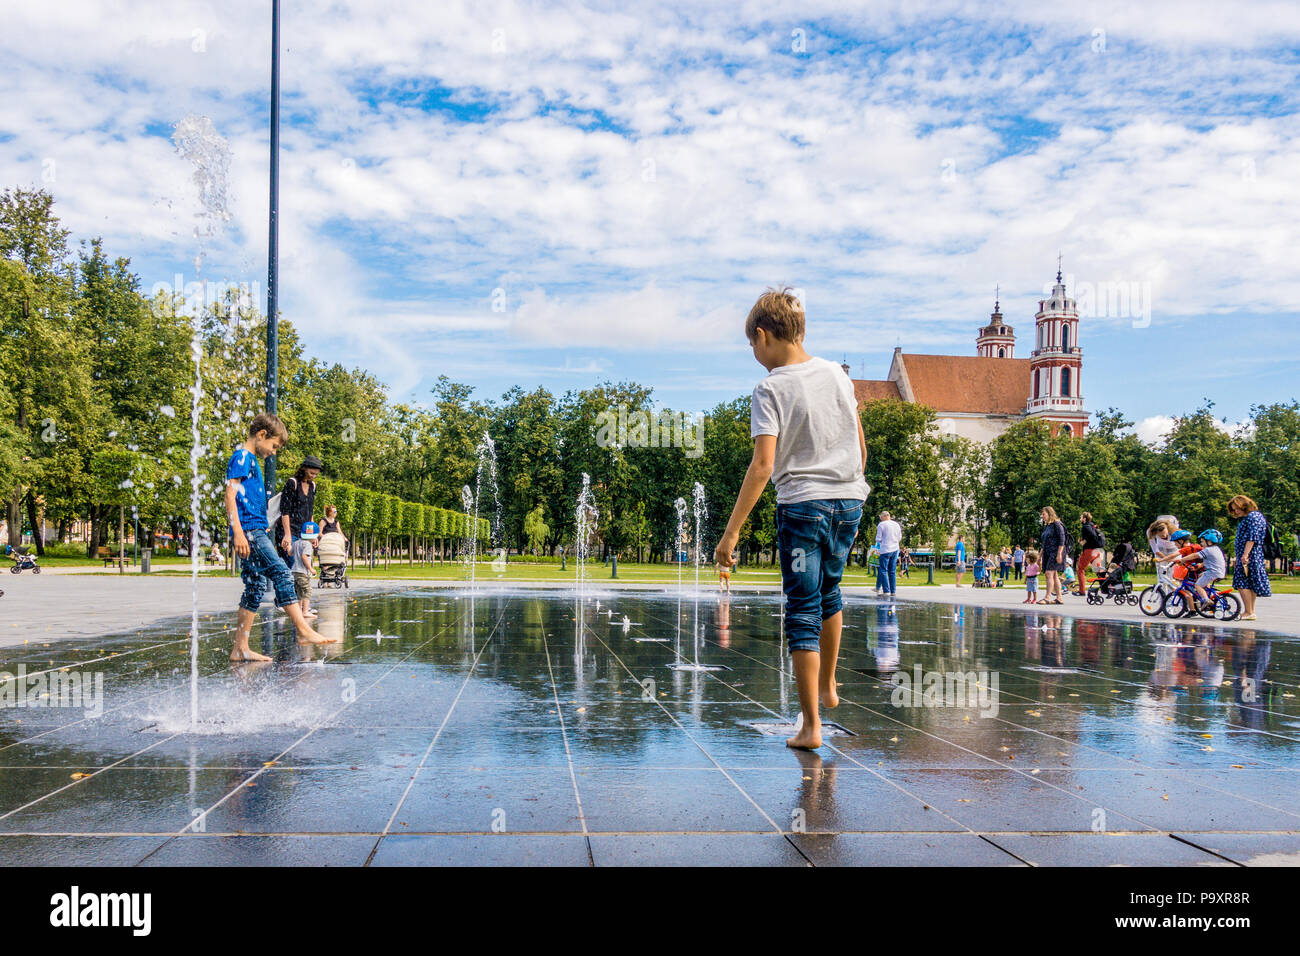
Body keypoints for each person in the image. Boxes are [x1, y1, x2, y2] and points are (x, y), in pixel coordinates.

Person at [714, 287, 869, 750]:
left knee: (802, 608)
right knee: (831, 593)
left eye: (751, 345)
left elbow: (763, 465)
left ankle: (811, 726)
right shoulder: (839, 376)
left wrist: (731, 532)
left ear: (762, 336)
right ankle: (828, 684)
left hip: (803, 506)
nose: (754, 355)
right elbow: (860, 446)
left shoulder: (770, 387)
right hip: (849, 502)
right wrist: (848, 486)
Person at [224, 414, 334, 662]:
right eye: (273, 446)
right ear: (261, 435)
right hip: (251, 531)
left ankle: (240, 648)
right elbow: (229, 494)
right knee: (282, 573)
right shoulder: (243, 457)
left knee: (255, 587)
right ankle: (303, 629)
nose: (273, 453)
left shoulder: (249, 460)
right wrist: (239, 532)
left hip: (254, 529)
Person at [1228, 495, 1270, 621]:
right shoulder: (1253, 517)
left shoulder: (1253, 517)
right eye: (1234, 509)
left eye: (1237, 508)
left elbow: (1252, 538)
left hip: (1250, 555)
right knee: (1249, 583)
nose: (1236, 511)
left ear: (1245, 505)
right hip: (1250, 554)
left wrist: (1245, 555)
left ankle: (1249, 611)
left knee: (1242, 583)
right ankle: (1250, 611)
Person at [277, 455, 323, 564]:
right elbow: (285, 511)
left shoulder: (313, 486)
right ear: (304, 469)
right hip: (289, 530)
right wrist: (287, 535)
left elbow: (309, 511)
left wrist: (313, 534)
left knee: (302, 566)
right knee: (292, 563)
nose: (314, 476)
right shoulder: (292, 483)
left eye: (316, 474)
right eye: (312, 473)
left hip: (304, 532)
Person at [291, 522, 321, 619]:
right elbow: (304, 557)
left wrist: (287, 546)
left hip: (294, 571)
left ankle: (299, 611)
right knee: (307, 591)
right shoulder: (308, 545)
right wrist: (311, 569)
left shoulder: (296, 543)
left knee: (299, 592)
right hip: (303, 572)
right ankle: (305, 611)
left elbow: (290, 553)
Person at [1040, 507, 1066, 604]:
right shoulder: (1048, 526)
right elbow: (1044, 543)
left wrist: (1059, 553)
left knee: (1049, 573)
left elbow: (1062, 539)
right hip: (1048, 552)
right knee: (1054, 575)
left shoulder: (1057, 524)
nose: (1042, 516)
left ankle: (1047, 597)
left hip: (1056, 552)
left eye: (1044, 514)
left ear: (1049, 513)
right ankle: (1059, 598)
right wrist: (1039, 557)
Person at [874, 510, 902, 598]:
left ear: (883, 517)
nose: (880, 519)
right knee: (892, 571)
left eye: (881, 518)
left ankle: (886, 590)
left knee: (883, 570)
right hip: (895, 549)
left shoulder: (881, 525)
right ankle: (893, 591)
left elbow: (878, 539)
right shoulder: (896, 524)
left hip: (885, 549)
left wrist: (881, 542)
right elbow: (899, 537)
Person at [1076, 512, 1105, 595]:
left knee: (1080, 569)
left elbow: (1092, 535)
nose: (1080, 519)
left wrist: (1084, 541)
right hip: (1097, 551)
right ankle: (1106, 587)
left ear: (1084, 519)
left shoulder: (1085, 527)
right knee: (1099, 570)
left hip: (1089, 551)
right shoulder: (1093, 525)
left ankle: (1081, 591)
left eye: (1081, 517)